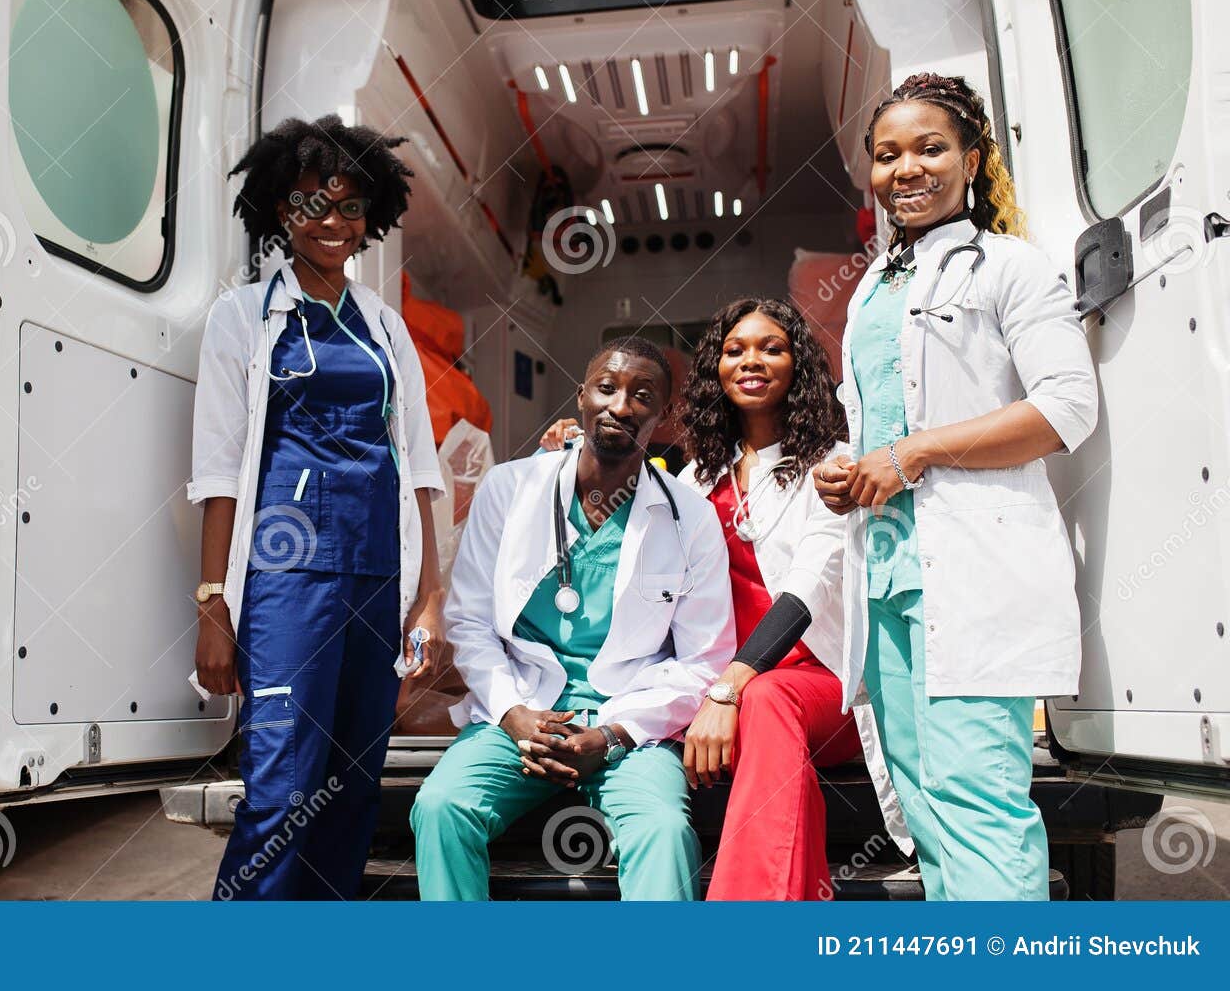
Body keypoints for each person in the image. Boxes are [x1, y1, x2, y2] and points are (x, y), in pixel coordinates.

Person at [813, 72, 1098, 900]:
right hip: (893, 580)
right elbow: (880, 417)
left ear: (972, 158)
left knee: (977, 801)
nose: (908, 168)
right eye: (887, 154)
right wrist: (850, 467)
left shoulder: (1011, 265)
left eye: (931, 148)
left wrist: (915, 453)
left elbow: (1065, 409)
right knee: (928, 811)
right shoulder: (874, 287)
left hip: (975, 574)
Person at [540, 300, 908, 901]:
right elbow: (613, 527)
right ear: (717, 371)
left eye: (771, 347)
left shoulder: (833, 465)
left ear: (800, 367)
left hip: (817, 686)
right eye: (735, 350)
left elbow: (808, 589)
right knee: (751, 712)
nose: (751, 361)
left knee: (768, 699)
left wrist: (729, 689)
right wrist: (572, 448)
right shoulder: (693, 480)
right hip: (722, 693)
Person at [189, 115, 446, 900]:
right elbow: (219, 468)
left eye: (348, 204)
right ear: (278, 212)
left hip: (376, 574)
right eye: (309, 203)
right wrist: (211, 603)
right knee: (283, 787)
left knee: (353, 788)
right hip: (287, 577)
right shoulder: (242, 318)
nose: (331, 221)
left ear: (371, 215)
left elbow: (421, 467)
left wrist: (430, 596)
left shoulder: (386, 328)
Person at [411, 337, 734, 901]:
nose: (621, 406)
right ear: (581, 398)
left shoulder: (691, 516)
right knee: (442, 808)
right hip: (520, 711)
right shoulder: (509, 490)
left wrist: (610, 735)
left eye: (642, 395)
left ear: (664, 416)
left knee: (662, 830)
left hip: (628, 724)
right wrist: (515, 716)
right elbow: (468, 623)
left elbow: (703, 659)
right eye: (606, 388)